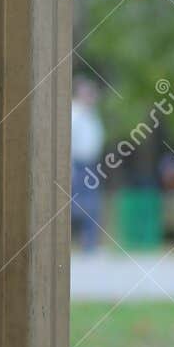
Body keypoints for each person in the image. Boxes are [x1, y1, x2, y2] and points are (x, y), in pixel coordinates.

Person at [71, 76, 105, 252]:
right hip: (77, 165)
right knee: (77, 205)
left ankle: (89, 243)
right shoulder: (74, 114)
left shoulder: (91, 115)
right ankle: (77, 241)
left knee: (92, 204)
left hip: (90, 164)